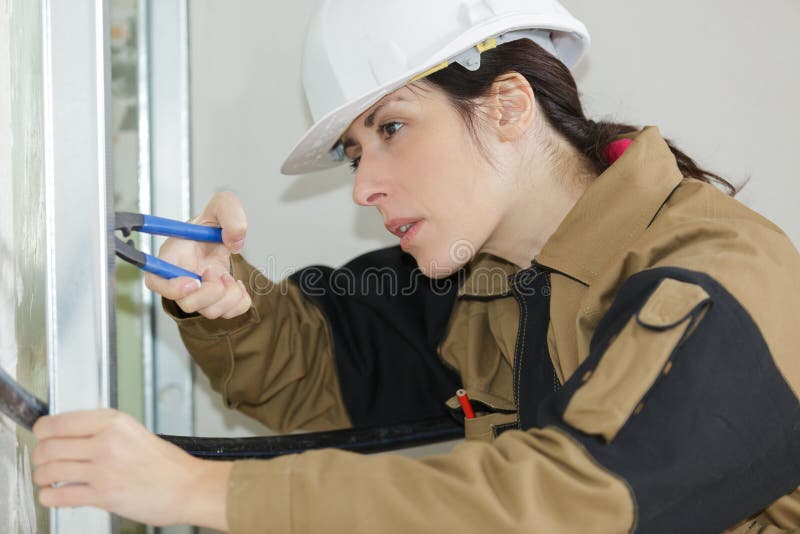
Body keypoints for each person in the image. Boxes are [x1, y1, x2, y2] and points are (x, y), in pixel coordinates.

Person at [29, 0, 800, 532]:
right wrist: (224, 301)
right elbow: (330, 371)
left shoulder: (715, 277)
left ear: (507, 106)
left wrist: (197, 489)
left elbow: (575, 503)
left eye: (392, 128)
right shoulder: (482, 275)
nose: (364, 186)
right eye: (356, 151)